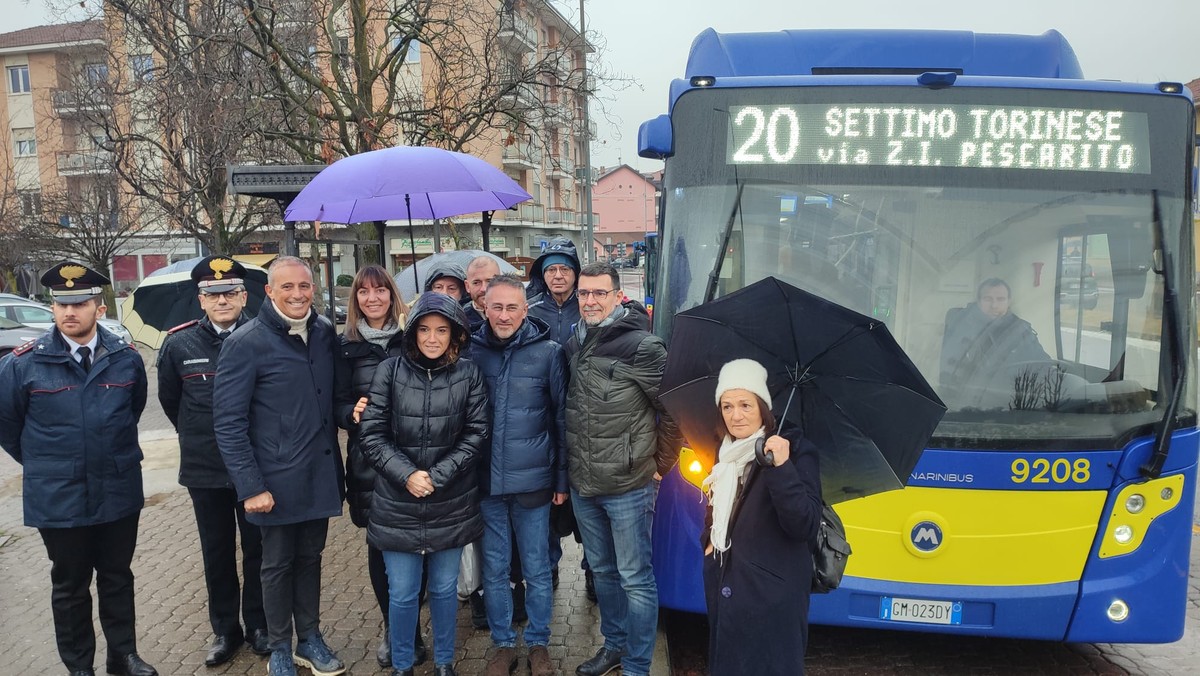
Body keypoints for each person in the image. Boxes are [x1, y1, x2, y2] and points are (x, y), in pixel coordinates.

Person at [0, 262, 157, 676]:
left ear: (99, 308)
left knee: (117, 577)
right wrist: (49, 463)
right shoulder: (23, 365)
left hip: (117, 489)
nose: (69, 311)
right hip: (59, 496)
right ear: (52, 309)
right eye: (61, 304)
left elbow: (133, 410)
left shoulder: (125, 360)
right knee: (69, 585)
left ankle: (123, 656)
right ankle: (79, 667)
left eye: (80, 303)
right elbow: (9, 429)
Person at [213, 256, 345, 676]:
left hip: (319, 474)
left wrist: (353, 411)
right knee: (276, 566)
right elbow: (228, 423)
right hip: (273, 482)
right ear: (269, 291)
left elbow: (329, 399)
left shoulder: (324, 332)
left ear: (314, 289)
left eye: (304, 286)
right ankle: (279, 647)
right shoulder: (246, 343)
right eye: (287, 287)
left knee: (311, 559)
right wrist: (251, 486)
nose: (297, 294)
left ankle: (309, 637)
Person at [358, 292, 488, 676]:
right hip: (397, 504)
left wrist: (438, 475)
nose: (432, 338)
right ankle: (402, 663)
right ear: (412, 332)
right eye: (425, 329)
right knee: (402, 593)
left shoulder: (469, 374)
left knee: (446, 590)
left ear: (456, 335)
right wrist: (407, 475)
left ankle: (445, 661)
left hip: (450, 502)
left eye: (442, 330)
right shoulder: (390, 372)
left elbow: (476, 433)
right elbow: (372, 434)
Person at [565, 262, 682, 676]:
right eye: (584, 294)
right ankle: (613, 647)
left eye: (599, 293)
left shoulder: (643, 346)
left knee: (635, 577)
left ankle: (637, 663)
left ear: (618, 296)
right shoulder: (575, 339)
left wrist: (659, 466)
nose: (590, 301)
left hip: (629, 484)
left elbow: (672, 410)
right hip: (585, 483)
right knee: (604, 572)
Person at [156, 256, 269, 666]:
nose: (221, 300)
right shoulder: (179, 344)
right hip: (205, 470)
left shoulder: (262, 337)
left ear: (243, 296)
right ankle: (226, 630)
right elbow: (172, 403)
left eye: (229, 293)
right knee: (216, 552)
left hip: (255, 467)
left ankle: (258, 625)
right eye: (212, 294)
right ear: (200, 300)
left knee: (257, 548)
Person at [468, 275, 567, 676]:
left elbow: (561, 420)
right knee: (493, 570)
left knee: (537, 567)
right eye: (497, 307)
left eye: (513, 307)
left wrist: (561, 480)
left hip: (534, 484)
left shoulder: (549, 353)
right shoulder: (469, 351)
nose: (504, 315)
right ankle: (503, 643)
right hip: (486, 484)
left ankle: (539, 642)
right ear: (483, 308)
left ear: (525, 309)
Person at [332, 265, 427, 669]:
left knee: (418, 544)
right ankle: (393, 627)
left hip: (414, 457)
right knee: (380, 545)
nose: (372, 298)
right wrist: (348, 412)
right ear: (356, 300)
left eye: (380, 291)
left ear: (392, 295)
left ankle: (414, 627)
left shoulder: (413, 339)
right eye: (364, 292)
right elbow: (332, 403)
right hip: (369, 461)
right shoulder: (344, 346)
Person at [701, 359, 822, 676]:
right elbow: (715, 507)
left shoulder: (796, 450)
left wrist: (781, 468)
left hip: (772, 598)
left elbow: (804, 524)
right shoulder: (726, 452)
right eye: (727, 406)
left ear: (763, 407)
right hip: (728, 588)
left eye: (745, 404)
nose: (735, 415)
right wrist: (708, 543)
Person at [525, 237, 586, 593]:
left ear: (576, 273)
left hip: (585, 416)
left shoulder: (590, 307)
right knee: (547, 500)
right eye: (551, 270)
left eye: (564, 268)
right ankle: (548, 568)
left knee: (584, 502)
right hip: (544, 417)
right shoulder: (532, 311)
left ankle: (592, 566)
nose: (558, 276)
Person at [940, 278, 1051, 408]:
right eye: (988, 299)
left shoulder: (1021, 330)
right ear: (978, 301)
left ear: (1009, 302)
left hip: (1012, 403)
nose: (994, 305)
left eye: (1001, 299)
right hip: (965, 403)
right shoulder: (961, 327)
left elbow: (1043, 366)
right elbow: (946, 372)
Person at [463, 255, 501, 332]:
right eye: (476, 283)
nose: (483, 289)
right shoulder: (460, 321)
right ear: (467, 286)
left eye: (489, 281)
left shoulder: (516, 315)